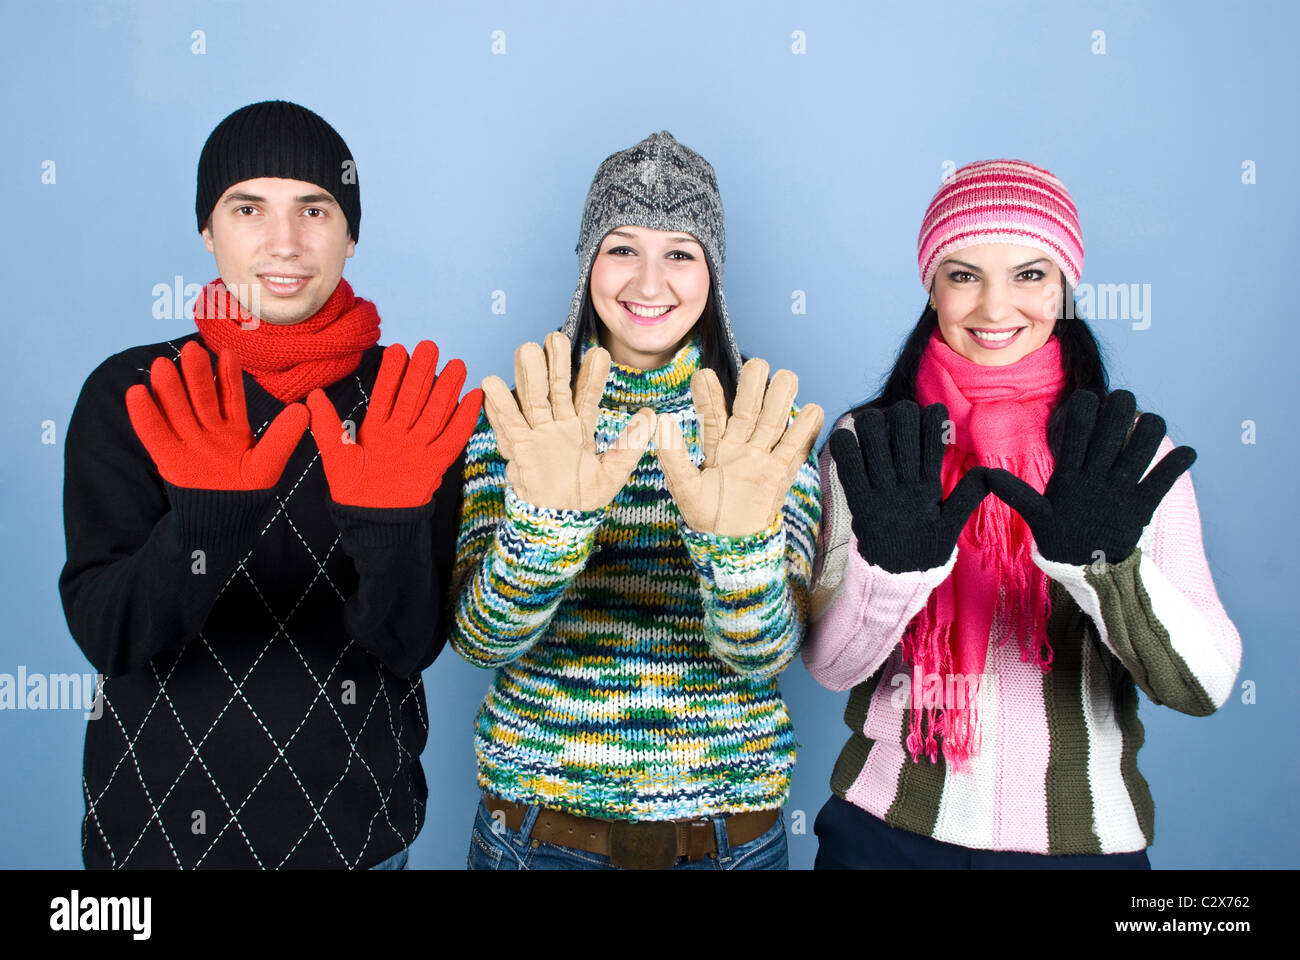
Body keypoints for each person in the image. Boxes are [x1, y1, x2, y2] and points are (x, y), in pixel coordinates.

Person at [58, 100, 481, 869]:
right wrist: (202, 527)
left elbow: (410, 644)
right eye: (248, 207)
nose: (284, 242)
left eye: (314, 209)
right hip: (153, 843)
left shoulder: (404, 402)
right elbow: (110, 635)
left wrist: (388, 529)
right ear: (207, 229)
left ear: (351, 234)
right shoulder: (137, 390)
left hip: (359, 838)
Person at [804, 159, 1241, 868]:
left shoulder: (1123, 456)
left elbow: (1203, 685)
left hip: (1080, 843)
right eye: (964, 274)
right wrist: (892, 572)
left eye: (1030, 275)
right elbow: (828, 665)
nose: (995, 308)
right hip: (884, 836)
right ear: (931, 286)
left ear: (1065, 286)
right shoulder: (874, 444)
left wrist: (1104, 571)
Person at [450, 131, 824, 870]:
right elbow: (480, 641)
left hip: (730, 845)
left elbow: (769, 654)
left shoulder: (759, 430)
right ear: (588, 260)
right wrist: (548, 530)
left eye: (680, 253)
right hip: (538, 838)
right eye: (623, 248)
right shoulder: (525, 425)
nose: (649, 283)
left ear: (712, 273)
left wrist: (740, 552)